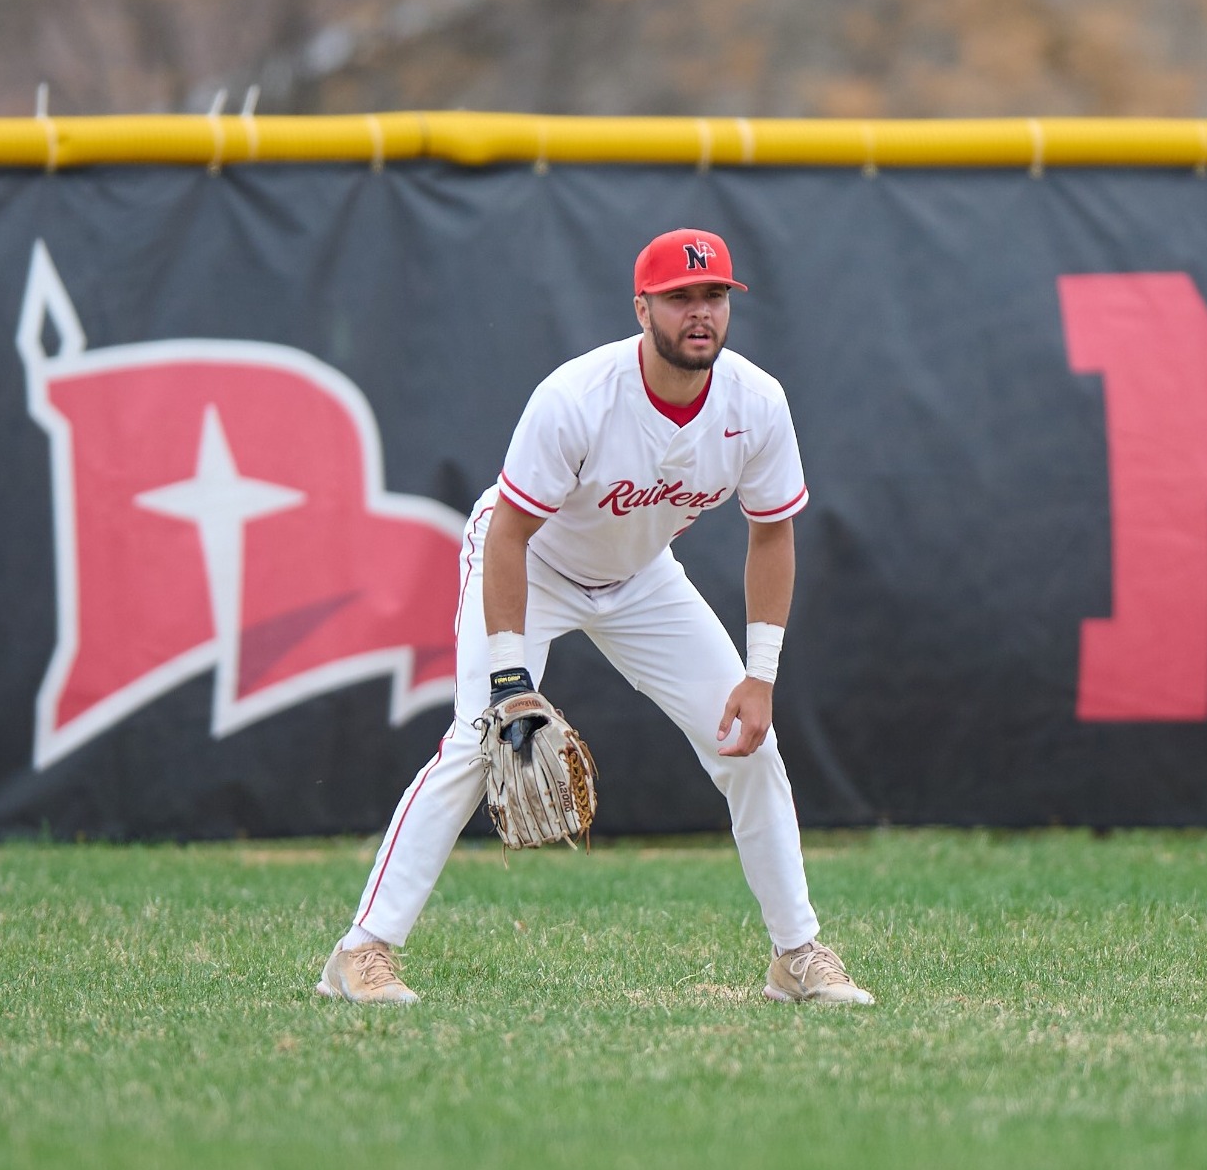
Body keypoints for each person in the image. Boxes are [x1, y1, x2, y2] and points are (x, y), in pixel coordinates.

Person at [317, 227, 874, 1007]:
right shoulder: (577, 397)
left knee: (748, 743)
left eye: (714, 294)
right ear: (641, 307)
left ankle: (796, 953)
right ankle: (360, 950)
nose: (700, 311)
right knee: (477, 740)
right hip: (531, 563)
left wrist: (760, 676)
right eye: (679, 297)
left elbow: (771, 532)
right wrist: (509, 682)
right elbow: (509, 533)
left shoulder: (756, 401)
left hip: (641, 576)